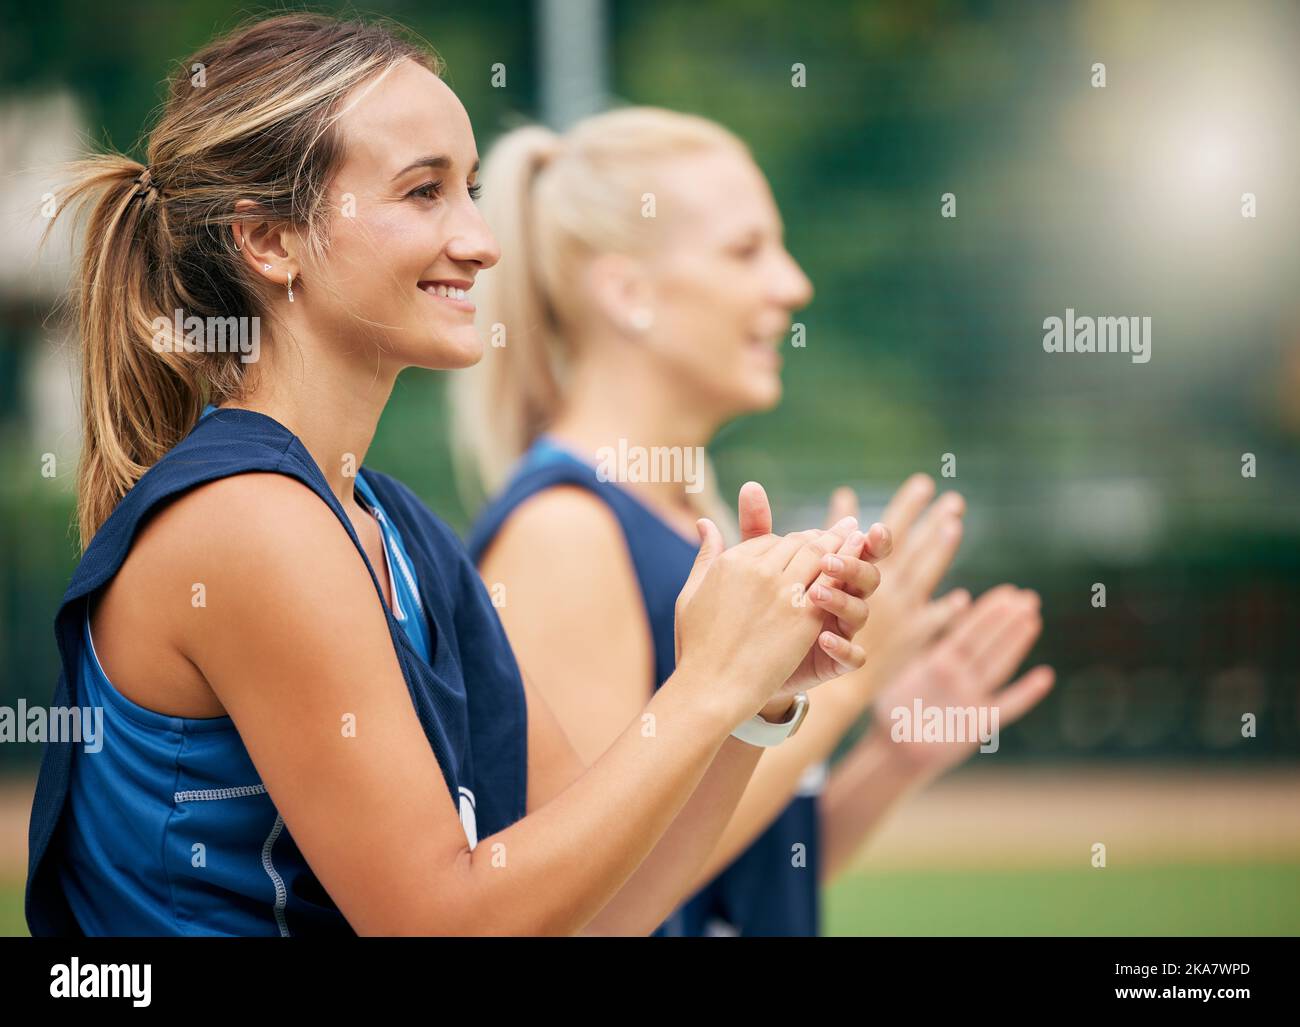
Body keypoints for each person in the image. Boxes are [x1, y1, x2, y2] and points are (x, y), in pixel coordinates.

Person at [25, 14, 885, 937]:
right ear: (268, 240)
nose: (481, 240)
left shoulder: (394, 527)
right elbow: (443, 925)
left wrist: (753, 699)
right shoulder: (249, 523)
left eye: (468, 189)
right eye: (423, 191)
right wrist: (701, 686)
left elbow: (607, 913)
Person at [454, 108, 1055, 936]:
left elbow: (733, 880)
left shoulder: (686, 516)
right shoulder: (563, 531)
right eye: (746, 252)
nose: (792, 285)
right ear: (628, 292)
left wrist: (891, 757)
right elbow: (601, 904)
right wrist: (848, 689)